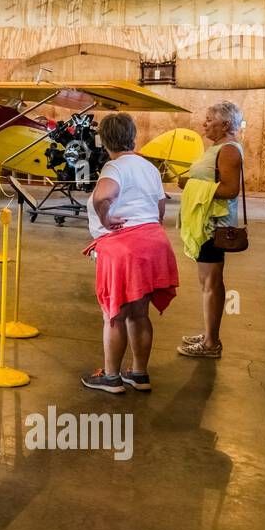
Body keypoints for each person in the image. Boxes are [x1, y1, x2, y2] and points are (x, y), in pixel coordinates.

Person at [81, 112, 179, 394]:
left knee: (114, 315)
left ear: (104, 140)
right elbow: (160, 207)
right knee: (139, 314)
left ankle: (111, 377)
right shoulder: (148, 167)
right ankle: (138, 373)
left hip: (124, 247)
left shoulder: (114, 168)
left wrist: (105, 218)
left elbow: (102, 197)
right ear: (133, 136)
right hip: (154, 242)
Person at [176, 101, 245, 359]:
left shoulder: (228, 150)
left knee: (212, 284)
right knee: (206, 282)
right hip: (206, 223)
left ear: (225, 124)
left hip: (214, 226)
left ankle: (211, 344)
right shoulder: (217, 147)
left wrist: (193, 186)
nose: (204, 124)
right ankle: (208, 334)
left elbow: (230, 190)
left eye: (209, 119)